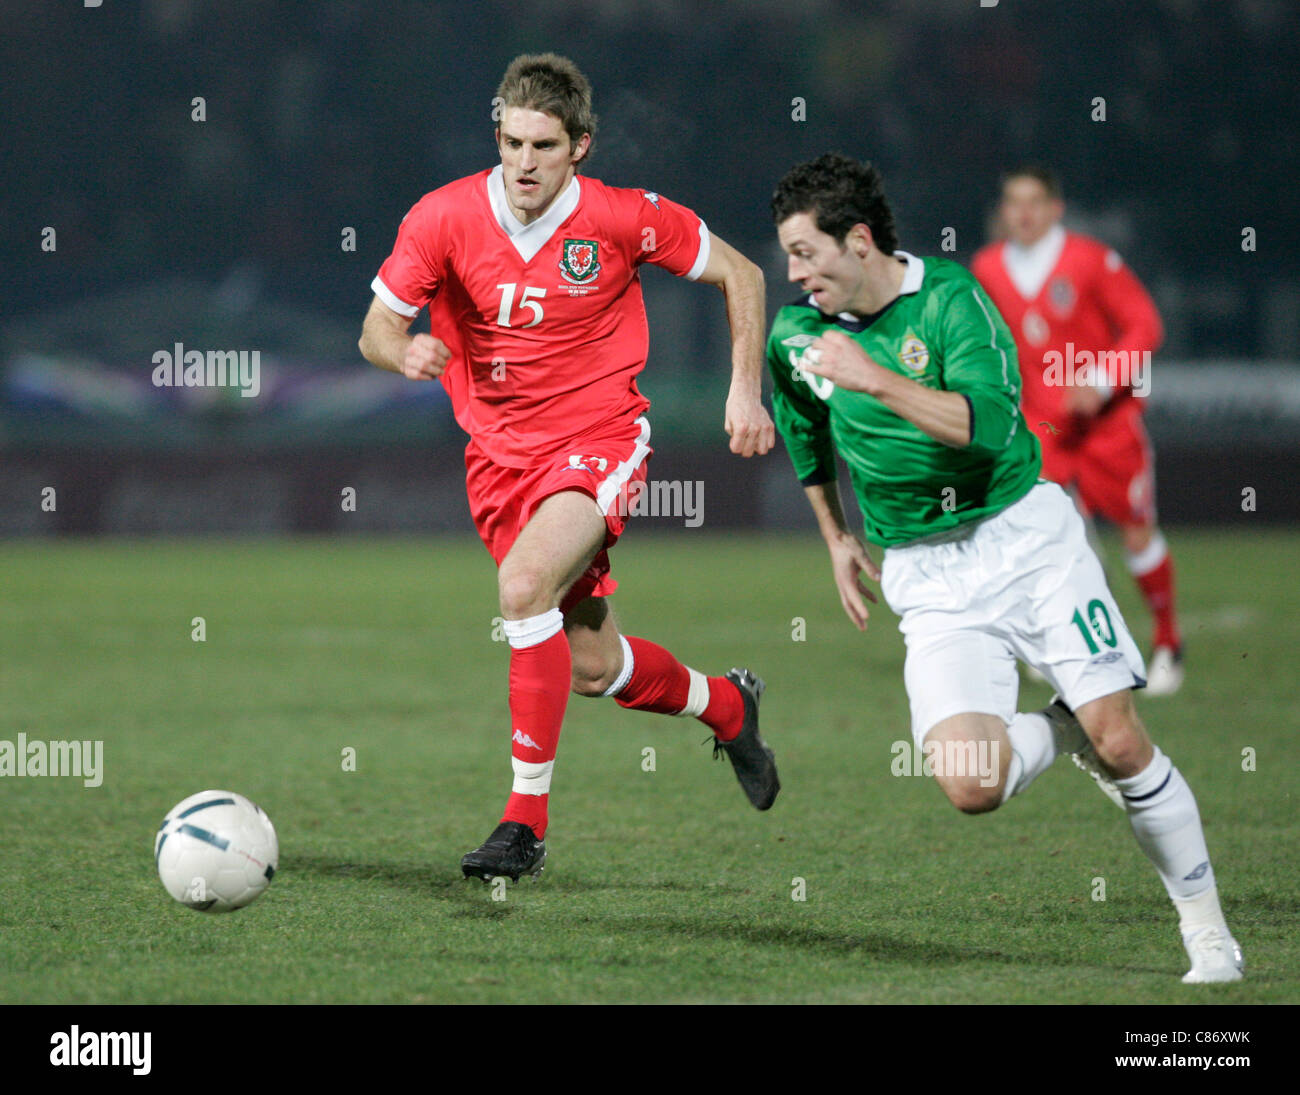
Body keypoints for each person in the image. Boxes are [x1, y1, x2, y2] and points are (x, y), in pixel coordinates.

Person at [765, 152, 1241, 982]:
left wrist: (874, 378)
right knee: (971, 785)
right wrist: (836, 536)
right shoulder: (797, 334)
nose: (794, 272)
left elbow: (984, 425)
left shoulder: (953, 300)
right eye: (787, 256)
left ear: (862, 241)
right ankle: (1065, 726)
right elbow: (803, 429)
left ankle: (1209, 936)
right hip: (926, 574)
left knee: (1125, 742)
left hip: (1025, 544)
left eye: (807, 253)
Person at [358, 54, 779, 884]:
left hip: (600, 437)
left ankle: (524, 824)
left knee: (522, 590)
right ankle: (729, 705)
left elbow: (745, 272)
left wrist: (744, 391)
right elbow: (374, 327)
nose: (523, 162)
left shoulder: (624, 218)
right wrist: (402, 350)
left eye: (544, 146)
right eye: (511, 142)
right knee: (591, 667)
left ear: (581, 145)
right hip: (498, 462)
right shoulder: (442, 217)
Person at [972, 167, 1183, 695]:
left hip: (1105, 429)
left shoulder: (1090, 260)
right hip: (1040, 432)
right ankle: (1063, 642)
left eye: (1035, 201)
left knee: (1136, 532)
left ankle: (1167, 643)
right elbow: (985, 343)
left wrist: (1103, 379)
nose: (1023, 213)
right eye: (1013, 202)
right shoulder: (988, 267)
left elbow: (1145, 325)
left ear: (1056, 208)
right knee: (1041, 540)